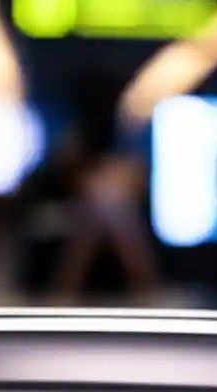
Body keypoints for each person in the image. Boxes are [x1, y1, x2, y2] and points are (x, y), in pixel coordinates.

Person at [51, 72, 158, 301]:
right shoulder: (78, 134)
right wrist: (95, 182)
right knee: (107, 206)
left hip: (109, 201)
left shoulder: (126, 130)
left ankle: (64, 289)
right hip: (89, 200)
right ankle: (146, 287)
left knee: (109, 206)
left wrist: (115, 181)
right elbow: (69, 172)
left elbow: (138, 174)